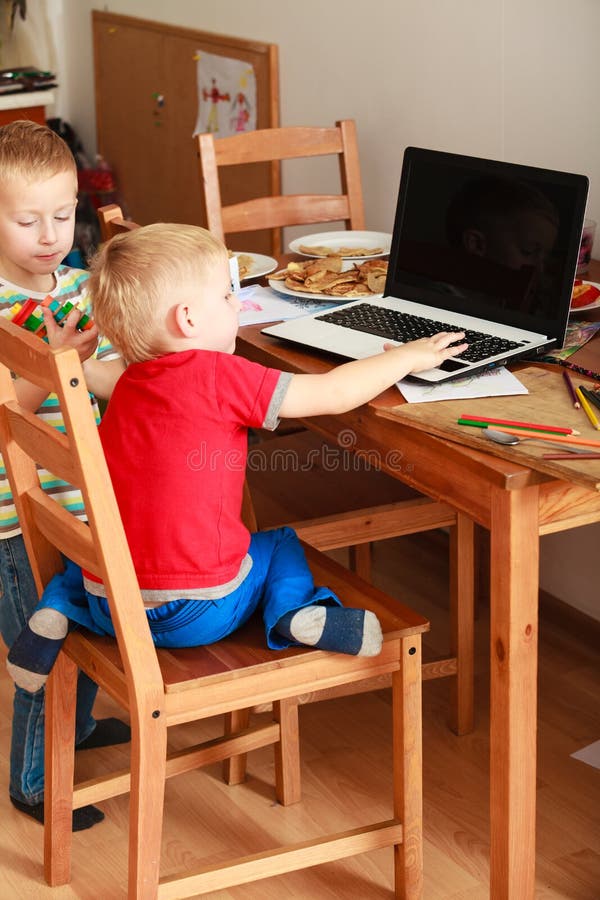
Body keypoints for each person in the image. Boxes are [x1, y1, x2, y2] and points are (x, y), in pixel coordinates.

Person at [6, 224, 467, 696]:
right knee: (281, 544)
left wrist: (69, 357)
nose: (238, 304)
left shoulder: (127, 384)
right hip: (200, 613)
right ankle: (295, 613)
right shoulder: (220, 375)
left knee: (92, 550)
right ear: (188, 318)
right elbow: (333, 393)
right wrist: (408, 357)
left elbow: (95, 376)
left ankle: (58, 609)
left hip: (110, 607)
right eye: (228, 295)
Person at [0, 120, 130, 832]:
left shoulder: (82, 287)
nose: (50, 235)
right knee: (42, 649)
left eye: (62, 214)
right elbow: (6, 414)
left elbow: (106, 378)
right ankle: (31, 783)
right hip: (13, 516)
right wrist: (51, 364)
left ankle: (73, 729)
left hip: (79, 499)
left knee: (80, 625)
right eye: (27, 221)